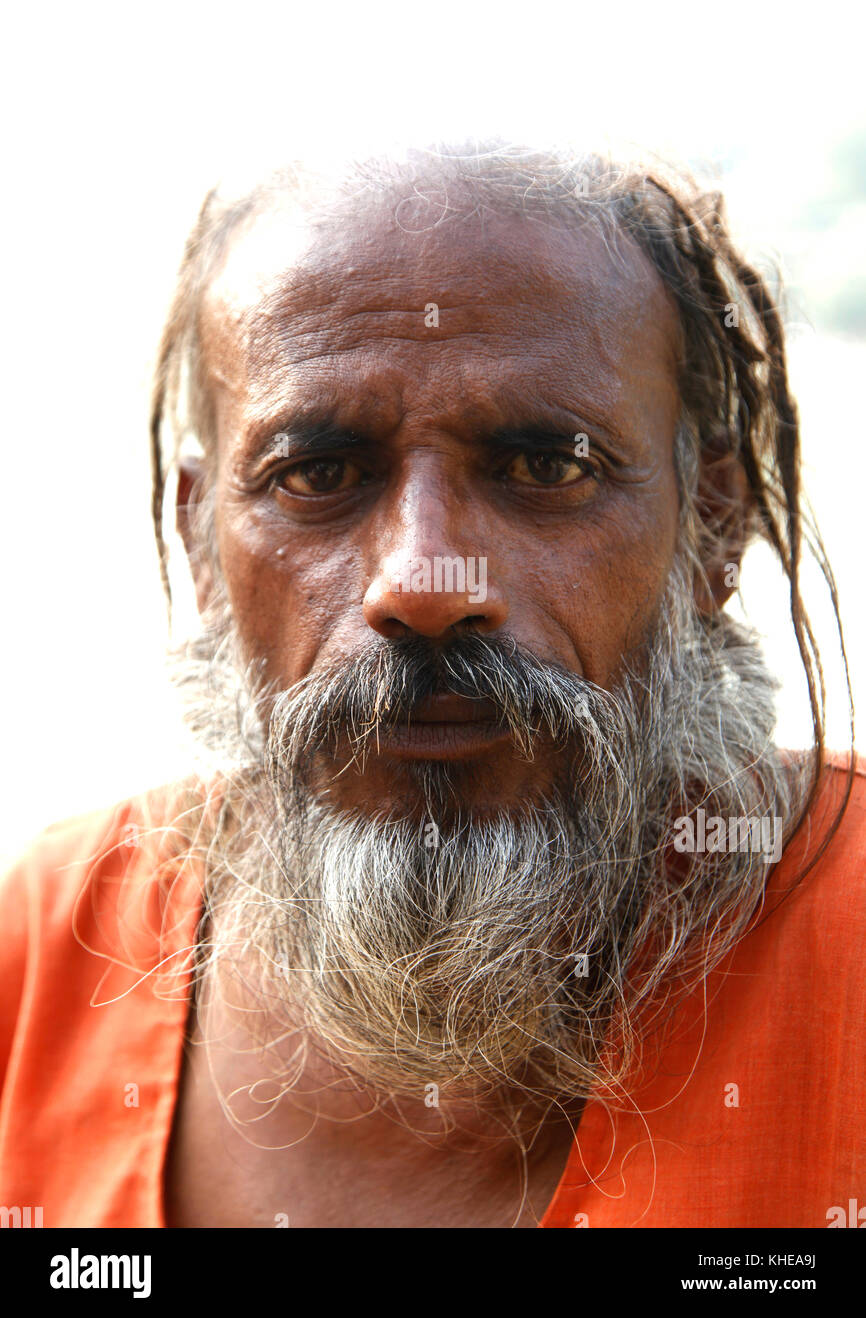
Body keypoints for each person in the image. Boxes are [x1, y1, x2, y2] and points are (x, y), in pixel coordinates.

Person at [1, 144, 862, 1229]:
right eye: (317, 473)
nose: (419, 583)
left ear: (712, 527)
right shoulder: (49, 945)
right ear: (198, 535)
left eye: (546, 466)